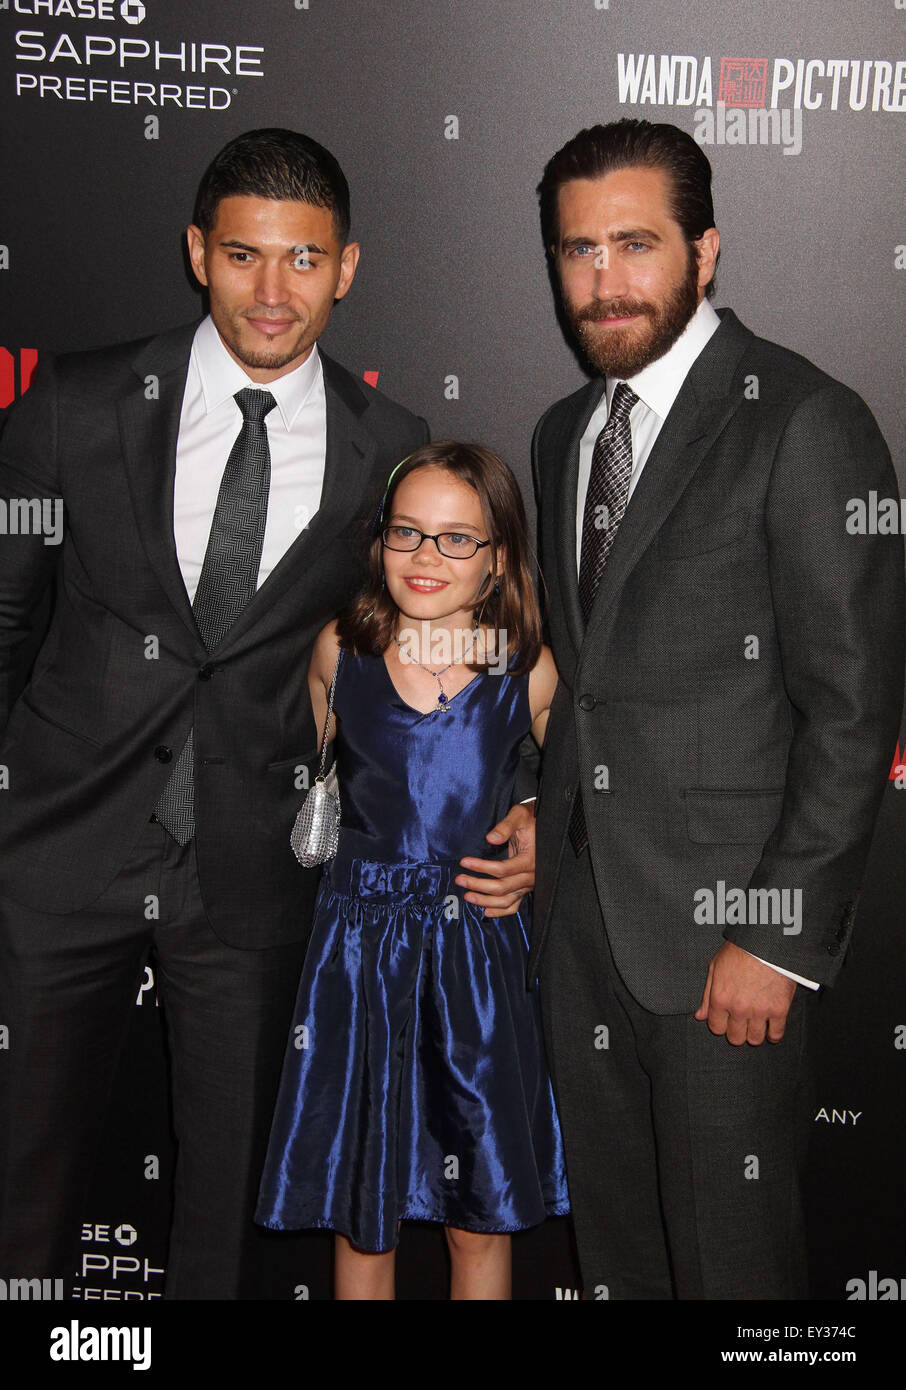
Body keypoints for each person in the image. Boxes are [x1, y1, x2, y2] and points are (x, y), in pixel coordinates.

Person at [0, 128, 528, 1300]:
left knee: (225, 1221)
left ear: (347, 267)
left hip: (256, 879)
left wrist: (527, 799)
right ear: (198, 252)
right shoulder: (75, 404)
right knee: (20, 1187)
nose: (272, 292)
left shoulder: (391, 460)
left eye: (303, 260)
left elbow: (454, 659)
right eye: (243, 255)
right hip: (57, 850)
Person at [527, 118, 904, 1299]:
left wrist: (780, 939)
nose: (604, 280)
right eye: (578, 250)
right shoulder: (562, 436)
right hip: (583, 938)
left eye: (635, 245)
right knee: (621, 1267)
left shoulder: (803, 420)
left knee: (737, 1279)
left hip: (726, 955)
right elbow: (592, 684)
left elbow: (852, 708)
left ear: (708, 249)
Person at [255, 441, 569, 1300]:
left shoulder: (527, 668)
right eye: (407, 533)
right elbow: (325, 779)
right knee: (367, 1207)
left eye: (457, 539)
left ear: (498, 556)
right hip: (356, 960)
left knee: (480, 1216)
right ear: (379, 542)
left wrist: (538, 824)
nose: (427, 558)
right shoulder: (338, 651)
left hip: (477, 955)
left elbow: (579, 799)